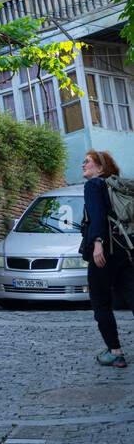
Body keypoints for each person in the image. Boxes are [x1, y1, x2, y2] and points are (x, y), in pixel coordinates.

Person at [80, 149, 134, 367]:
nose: (83, 165)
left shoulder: (93, 185)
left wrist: (97, 244)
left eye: (87, 162)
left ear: (100, 168)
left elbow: (97, 217)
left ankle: (115, 351)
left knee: (101, 301)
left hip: (104, 252)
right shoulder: (115, 185)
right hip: (124, 249)